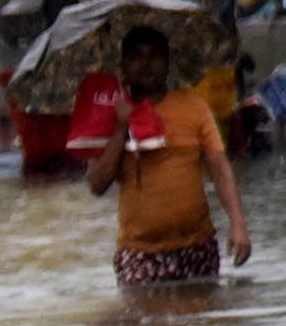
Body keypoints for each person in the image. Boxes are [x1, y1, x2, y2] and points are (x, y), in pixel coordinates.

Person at [86, 25, 253, 286]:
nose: (145, 64)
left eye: (154, 56)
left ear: (167, 63)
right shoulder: (107, 113)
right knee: (144, 322)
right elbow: (97, 184)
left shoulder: (194, 106)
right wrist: (121, 128)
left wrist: (238, 224)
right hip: (140, 253)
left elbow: (220, 169)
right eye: (137, 56)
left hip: (198, 247)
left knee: (201, 322)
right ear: (123, 64)